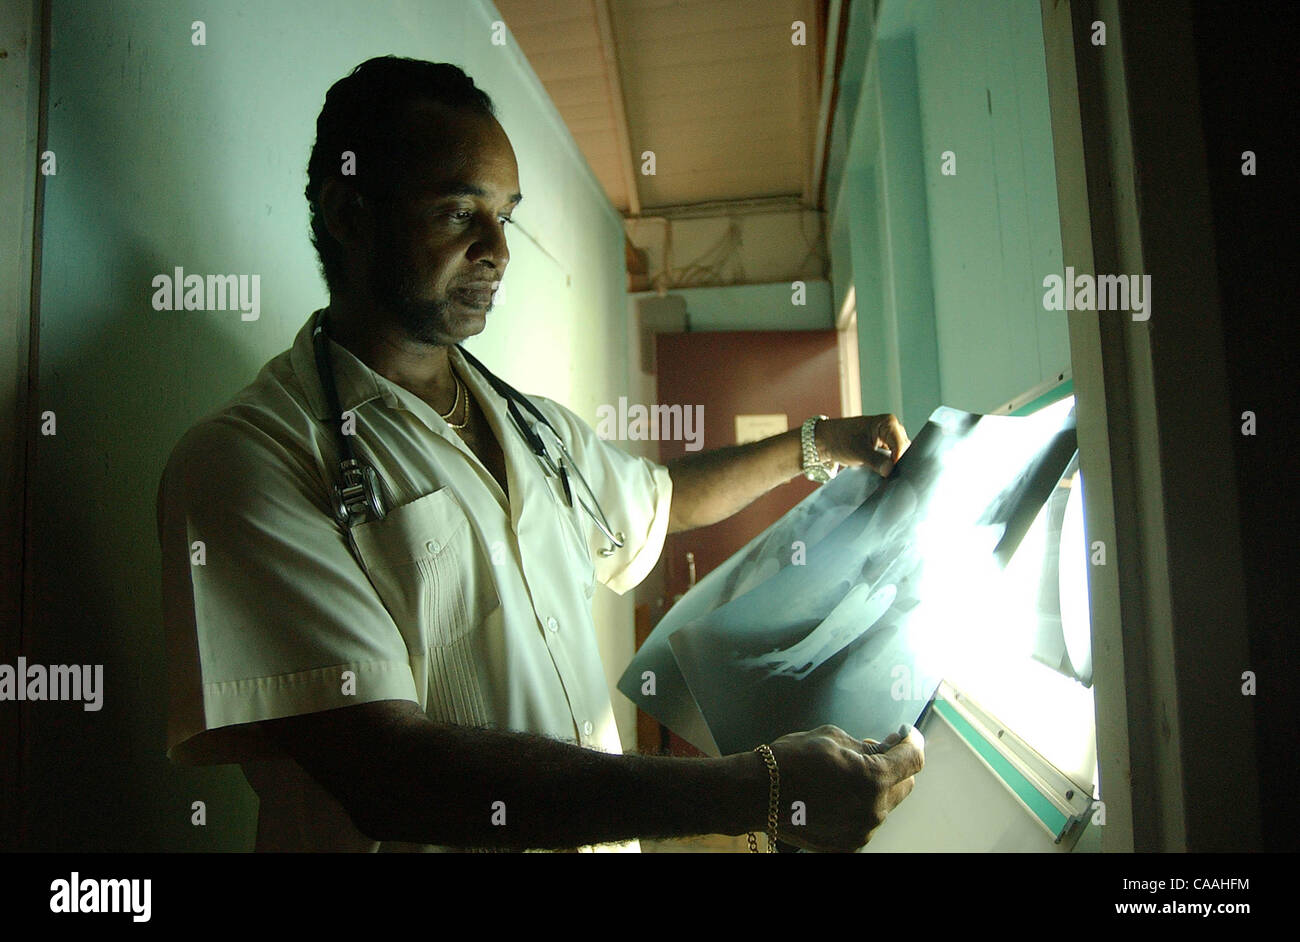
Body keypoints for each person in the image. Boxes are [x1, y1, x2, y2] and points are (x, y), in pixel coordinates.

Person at [155, 56, 924, 853]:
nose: (499, 249)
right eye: (459, 214)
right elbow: (391, 774)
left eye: (506, 216)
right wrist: (753, 791)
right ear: (347, 212)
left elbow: (660, 497)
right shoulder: (249, 461)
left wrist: (814, 444)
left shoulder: (536, 430)